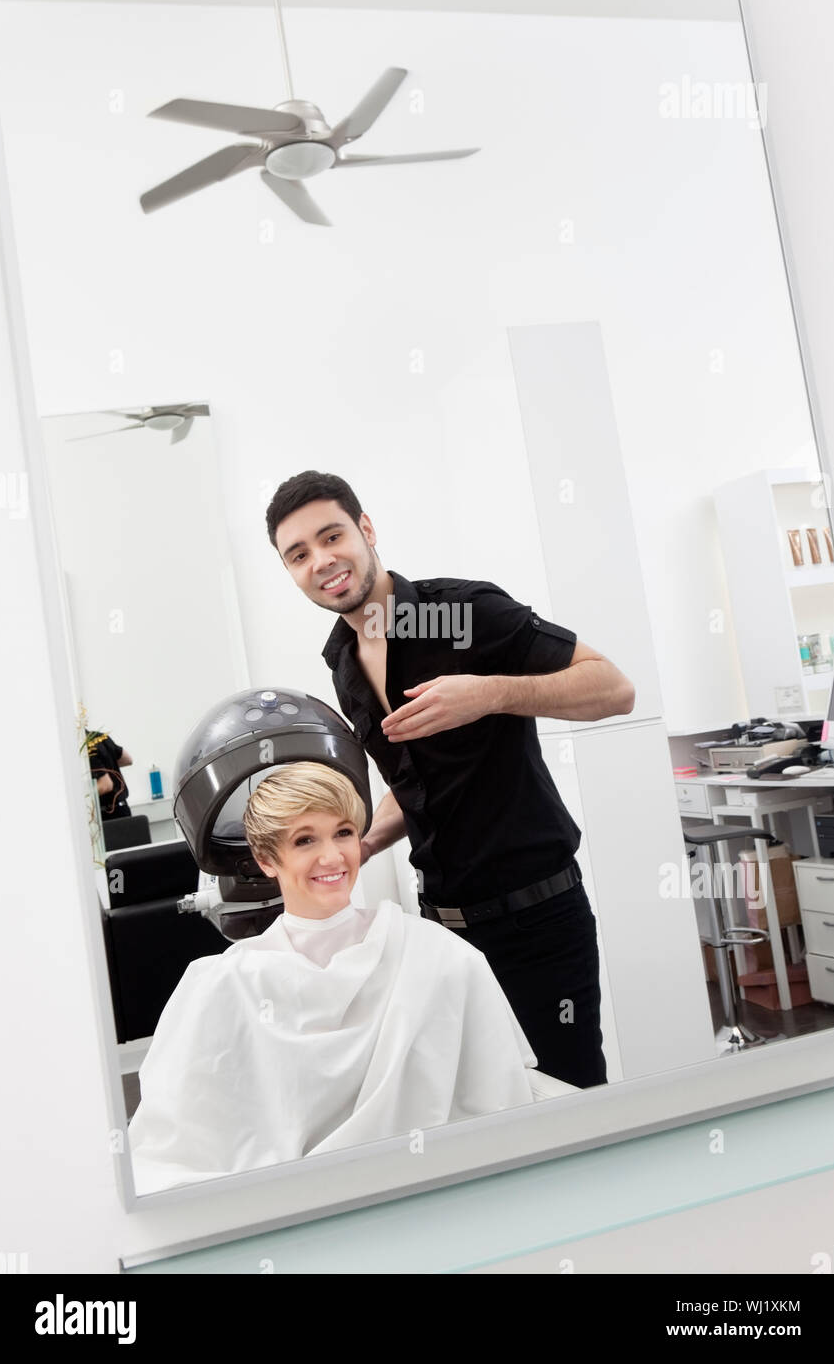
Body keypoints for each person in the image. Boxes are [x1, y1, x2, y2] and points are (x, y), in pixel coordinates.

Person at [266, 471, 636, 1089]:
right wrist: (348, 846)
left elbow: (614, 689)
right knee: (473, 1109)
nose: (321, 561)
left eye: (332, 536)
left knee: (570, 1101)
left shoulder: (462, 612)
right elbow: (417, 789)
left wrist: (488, 694)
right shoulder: (341, 661)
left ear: (366, 529)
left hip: (538, 921)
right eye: (298, 554)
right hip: (440, 930)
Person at [128, 762, 558, 1195]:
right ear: (265, 860)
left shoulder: (436, 956)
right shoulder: (224, 986)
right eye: (305, 840)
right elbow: (178, 1140)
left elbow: (500, 1098)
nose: (332, 856)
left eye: (344, 833)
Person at [85, 730, 132, 819]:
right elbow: (127, 760)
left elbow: (105, 785)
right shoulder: (100, 737)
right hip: (123, 810)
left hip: (107, 815)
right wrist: (107, 766)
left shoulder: (86, 747)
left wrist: (80, 796)